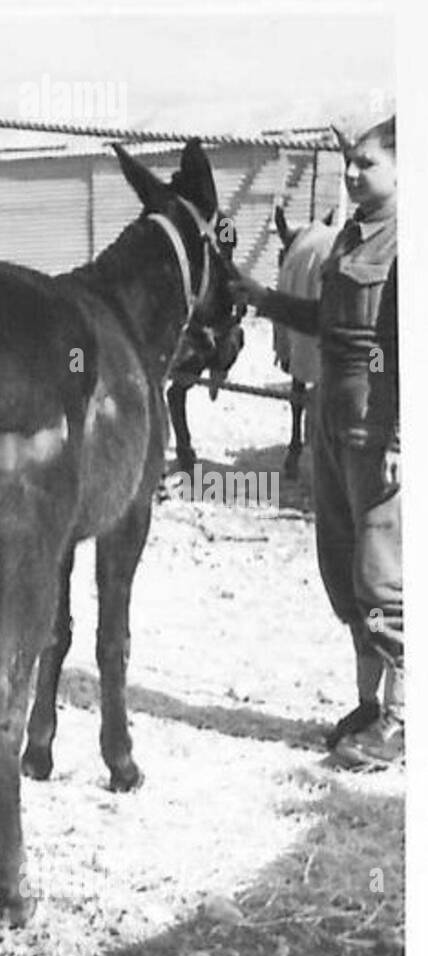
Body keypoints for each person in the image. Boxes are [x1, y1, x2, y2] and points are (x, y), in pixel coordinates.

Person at [231, 115, 401, 769]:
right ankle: (370, 705)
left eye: (368, 164)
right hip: (334, 416)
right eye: (349, 165)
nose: (353, 175)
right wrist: (261, 298)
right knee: (343, 565)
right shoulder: (348, 236)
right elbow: (329, 321)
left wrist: (399, 436)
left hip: (379, 428)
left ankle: (404, 718)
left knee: (385, 575)